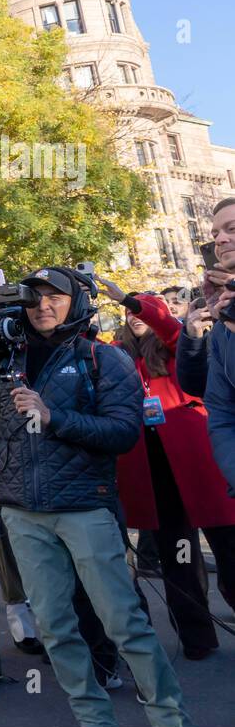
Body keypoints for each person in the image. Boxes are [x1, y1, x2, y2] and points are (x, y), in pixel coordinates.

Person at [0, 267, 188, 727]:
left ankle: (169, 719)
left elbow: (123, 432)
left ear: (78, 301)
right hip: (21, 513)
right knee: (55, 629)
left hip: (85, 508)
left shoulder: (103, 358)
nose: (43, 306)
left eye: (54, 296)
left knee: (125, 624)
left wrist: (53, 416)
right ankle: (94, 720)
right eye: (33, 297)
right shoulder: (5, 360)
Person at [96, 277, 235, 657]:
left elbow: (167, 323)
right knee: (179, 561)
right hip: (157, 476)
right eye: (128, 313)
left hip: (201, 469)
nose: (133, 316)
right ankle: (197, 639)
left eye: (139, 310)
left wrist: (128, 299)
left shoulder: (176, 344)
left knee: (230, 552)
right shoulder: (117, 355)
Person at [204, 198, 235, 495]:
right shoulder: (222, 325)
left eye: (232, 229)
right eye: (215, 234)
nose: (220, 239)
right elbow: (221, 411)